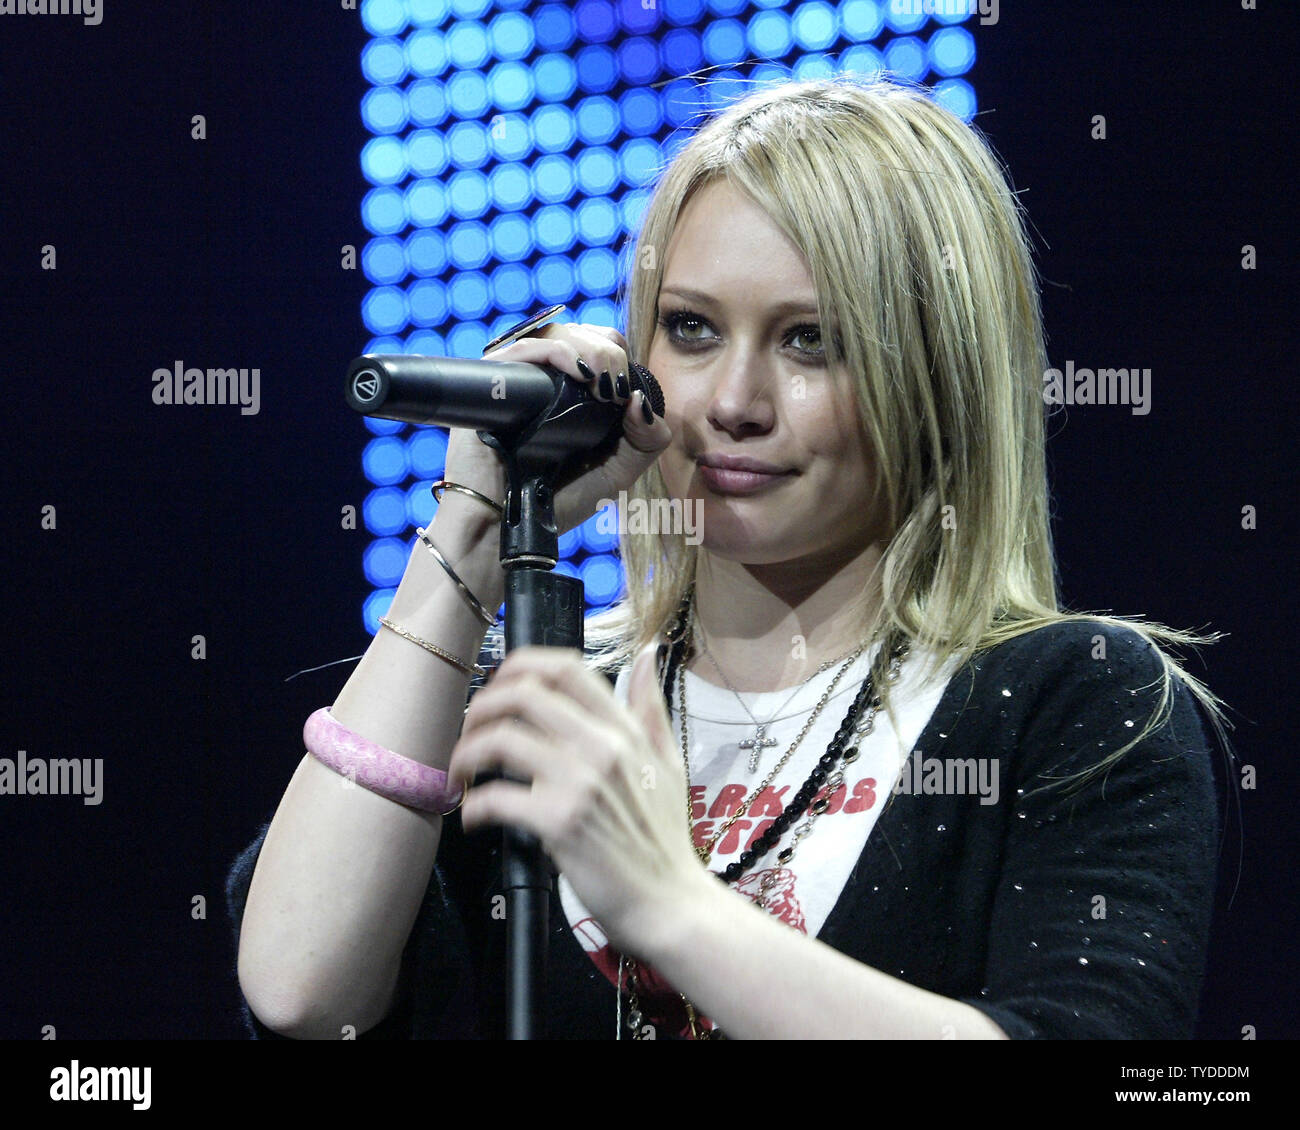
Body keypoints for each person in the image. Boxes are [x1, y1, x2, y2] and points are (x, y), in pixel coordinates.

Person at [226, 75, 1228, 1040]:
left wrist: (667, 903)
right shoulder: (545, 706)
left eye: (808, 341)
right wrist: (472, 538)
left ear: (935, 374)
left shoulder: (1078, 700)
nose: (733, 401)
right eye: (691, 328)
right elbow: (302, 991)